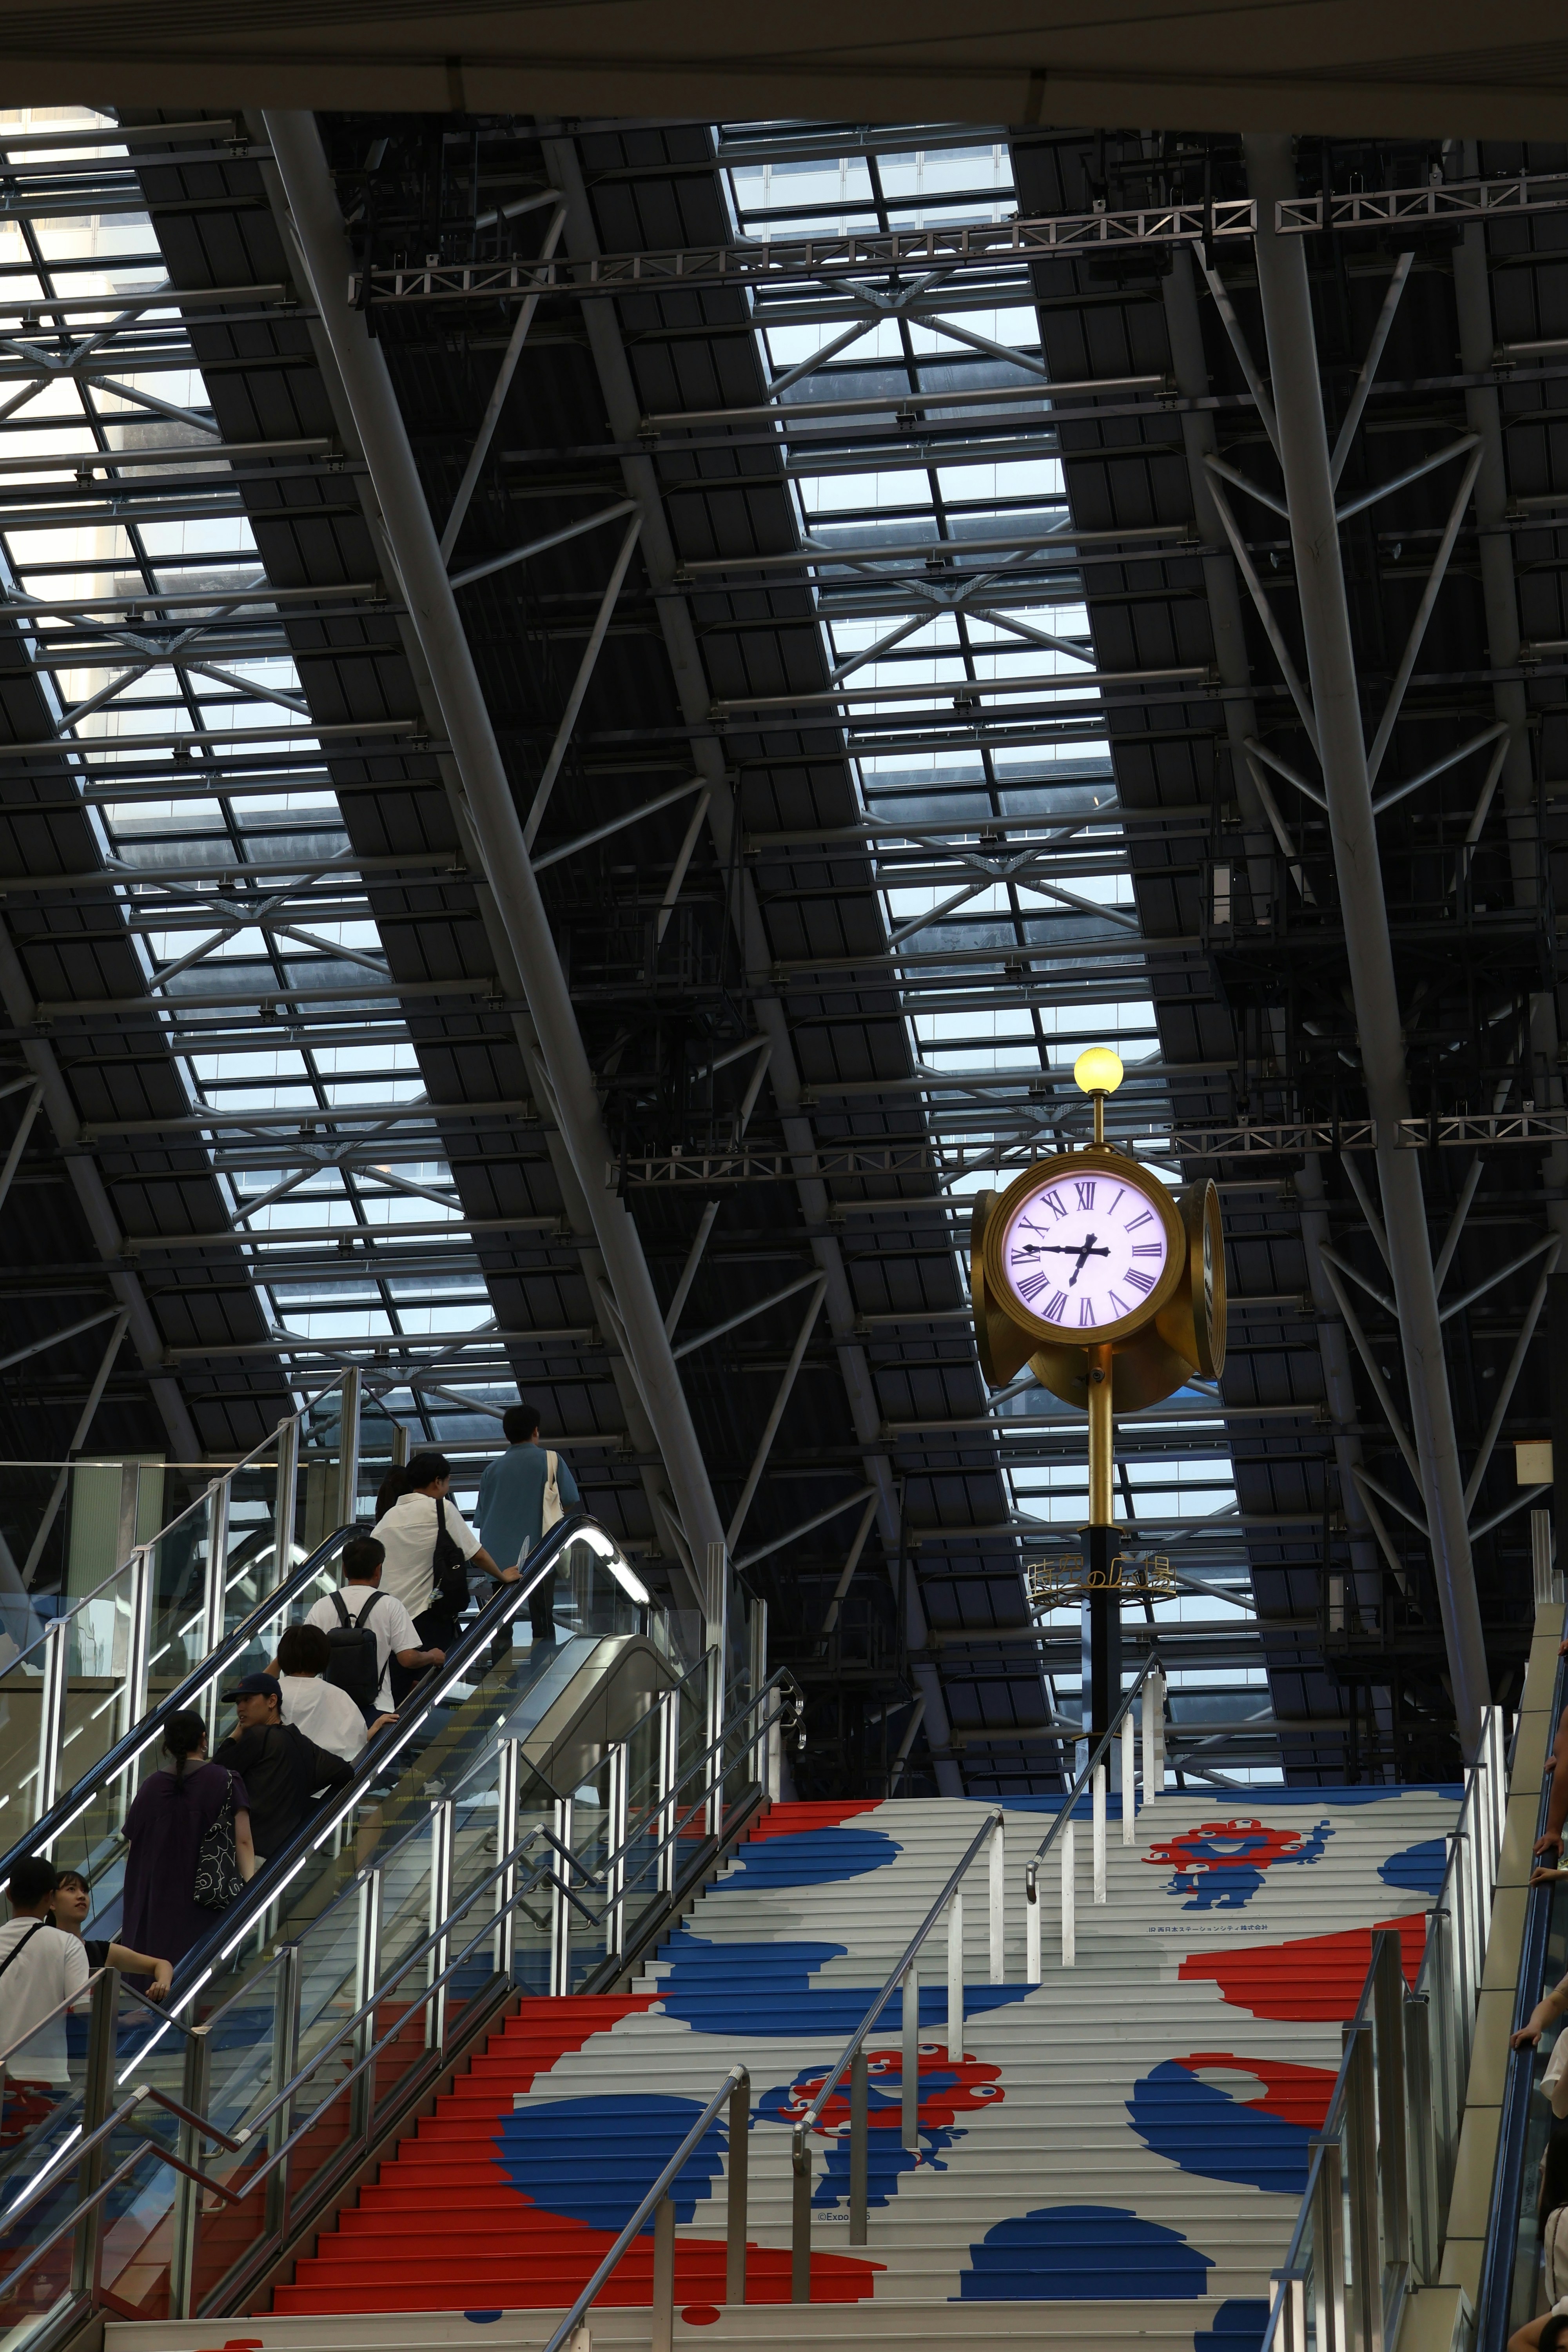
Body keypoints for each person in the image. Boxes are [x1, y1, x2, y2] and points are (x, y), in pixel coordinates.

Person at [120, 1710, 257, 1968]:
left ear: (167, 1746)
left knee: (156, 1979)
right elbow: (244, 1842)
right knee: (197, 1970)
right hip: (205, 1901)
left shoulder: (150, 1787)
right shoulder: (226, 1780)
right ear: (203, 1739)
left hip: (155, 1906)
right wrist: (250, 1889)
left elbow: (133, 1848)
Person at [370, 1454, 518, 1685]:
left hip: (390, 1619)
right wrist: (503, 1576)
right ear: (438, 1482)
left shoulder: (387, 1520)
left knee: (400, 1689)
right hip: (426, 1616)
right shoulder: (440, 1509)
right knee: (430, 1685)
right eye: (448, 1482)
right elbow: (476, 1553)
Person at [211, 1674, 353, 1865]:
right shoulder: (299, 1741)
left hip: (247, 1852)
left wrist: (234, 1736)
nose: (240, 1708)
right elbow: (345, 1771)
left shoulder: (257, 1737)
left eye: (248, 1699)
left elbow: (215, 1774)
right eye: (238, 1703)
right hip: (283, 1856)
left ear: (272, 1701)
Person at [303, 1535, 446, 1719]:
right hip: (377, 1709)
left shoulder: (322, 1606)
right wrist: (432, 1656)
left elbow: (306, 1659)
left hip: (329, 1708)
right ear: (378, 1570)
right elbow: (408, 1659)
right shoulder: (390, 1605)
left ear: (345, 1570)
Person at [0, 1857, 90, 2146]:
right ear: (50, 1897)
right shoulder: (67, 1944)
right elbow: (84, 2010)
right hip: (44, 2076)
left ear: (10, 1894)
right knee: (38, 2164)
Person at [477, 1403, 581, 1643]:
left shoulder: (491, 1471)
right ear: (536, 1431)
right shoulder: (550, 1460)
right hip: (540, 1550)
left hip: (498, 1560)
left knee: (500, 1623)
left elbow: (482, 1518)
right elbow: (570, 1499)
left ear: (507, 1434)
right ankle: (544, 1668)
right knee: (542, 1616)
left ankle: (502, 1676)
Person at [266, 1622, 388, 1762]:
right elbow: (355, 1746)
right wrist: (375, 1728)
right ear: (324, 1657)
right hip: (325, 1779)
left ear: (282, 1657)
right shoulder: (337, 1696)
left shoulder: (269, 1694)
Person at [45, 1871, 172, 2002]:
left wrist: (162, 1984)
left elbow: (162, 1964)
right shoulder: (42, 1947)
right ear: (51, 1902)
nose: (81, 1896)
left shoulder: (100, 1951)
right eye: (71, 1889)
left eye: (84, 1891)